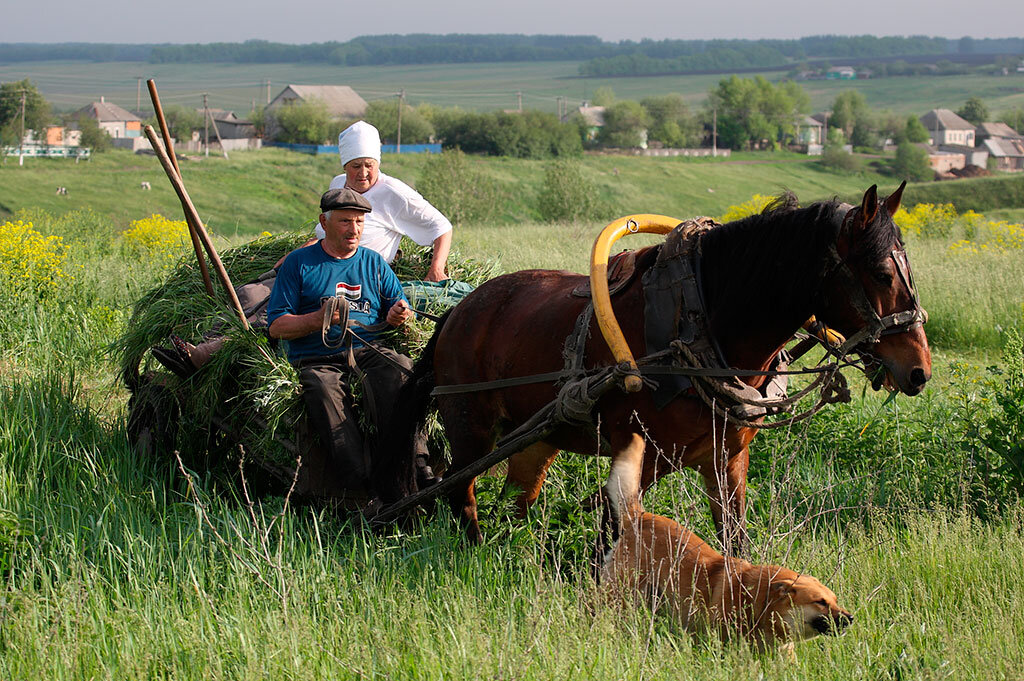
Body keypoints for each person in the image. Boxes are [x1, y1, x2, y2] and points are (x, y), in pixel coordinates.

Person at [266, 188, 427, 496]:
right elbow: (276, 326)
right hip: (317, 357)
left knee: (403, 368)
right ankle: (359, 485)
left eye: (359, 222)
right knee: (324, 390)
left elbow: (399, 305)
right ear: (324, 223)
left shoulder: (374, 263)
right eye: (344, 222)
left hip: (368, 350)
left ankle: (415, 462)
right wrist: (317, 319)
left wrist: (398, 315)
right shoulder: (299, 264)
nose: (354, 230)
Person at [319, 120, 453, 282]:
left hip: (365, 277)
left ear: (378, 163)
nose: (363, 173)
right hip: (325, 267)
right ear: (345, 166)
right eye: (356, 166)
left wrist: (436, 270)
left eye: (369, 165)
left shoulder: (393, 193)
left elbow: (442, 226)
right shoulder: (338, 185)